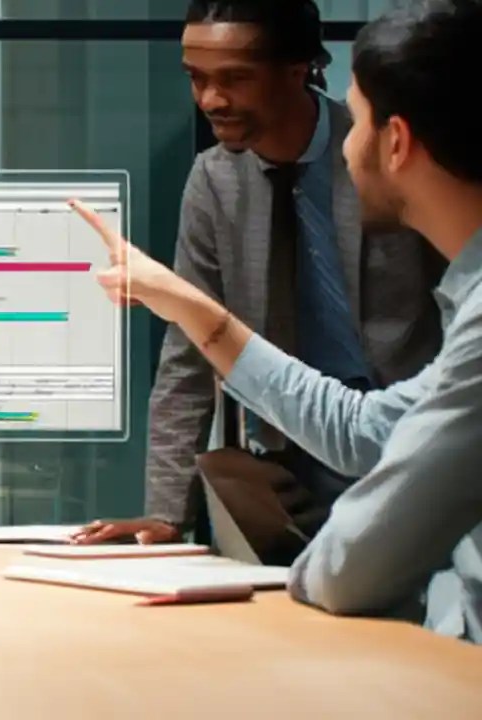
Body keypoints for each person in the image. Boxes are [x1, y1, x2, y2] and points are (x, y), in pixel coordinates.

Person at [72, 0, 482, 640]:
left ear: (299, 71)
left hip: (424, 448)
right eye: (196, 78)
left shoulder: (392, 175)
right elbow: (191, 363)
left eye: (234, 78)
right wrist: (167, 514)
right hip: (300, 460)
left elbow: (352, 549)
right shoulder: (215, 179)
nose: (211, 99)